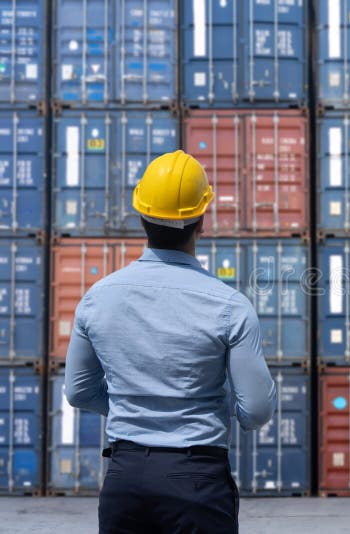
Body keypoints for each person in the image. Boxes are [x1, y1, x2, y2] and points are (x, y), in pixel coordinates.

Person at [65, 150, 277, 533]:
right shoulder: (230, 306)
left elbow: (78, 392)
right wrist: (213, 408)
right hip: (196, 480)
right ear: (202, 221)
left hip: (124, 480)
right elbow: (257, 410)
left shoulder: (97, 298)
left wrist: (132, 407)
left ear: (141, 217)